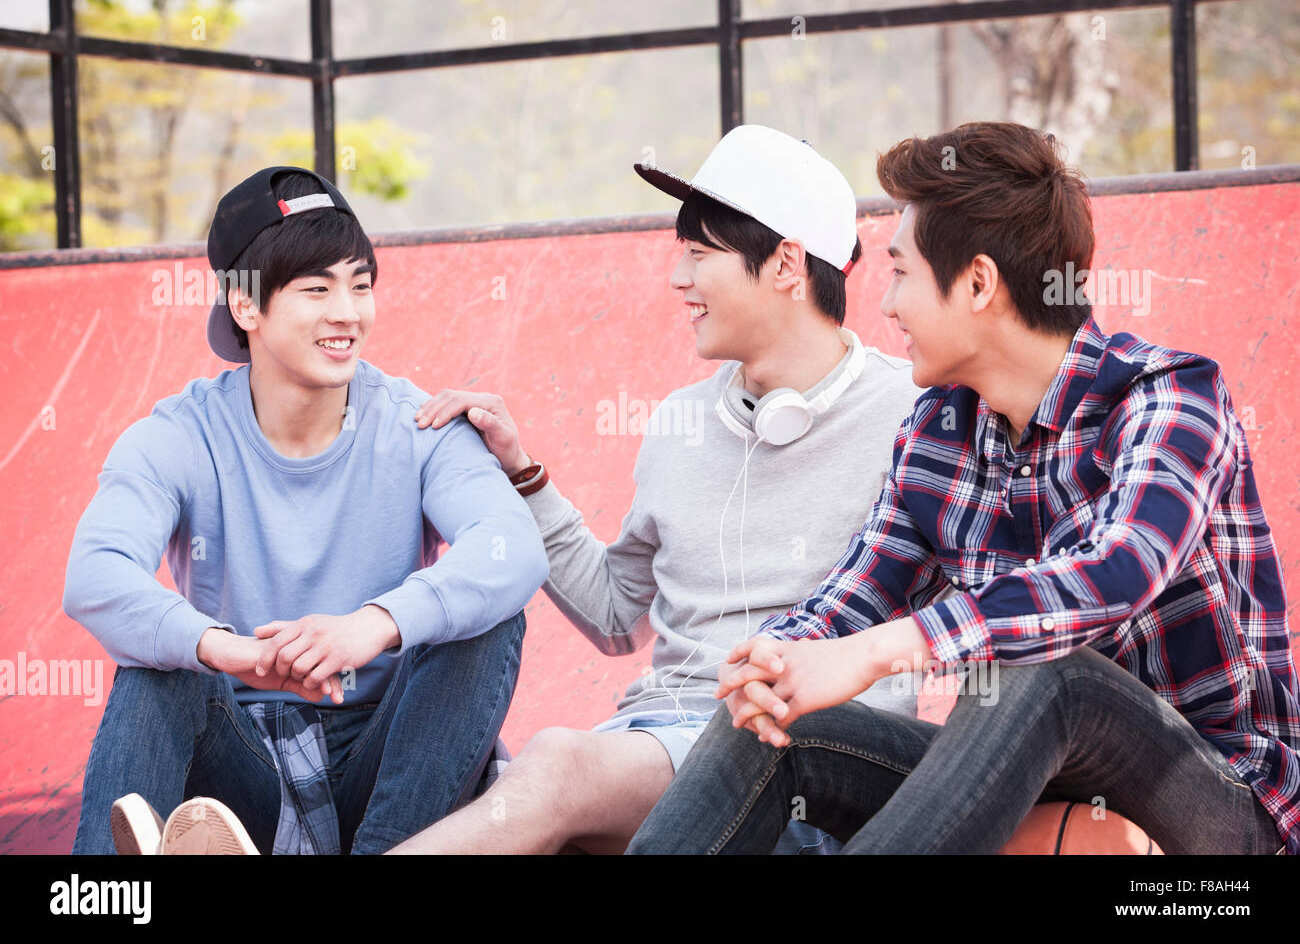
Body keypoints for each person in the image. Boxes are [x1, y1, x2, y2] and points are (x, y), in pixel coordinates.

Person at [627, 121, 1300, 855]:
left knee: (1048, 674)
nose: (885, 306)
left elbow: (1114, 573)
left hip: (1221, 807)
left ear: (978, 282)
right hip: (1025, 776)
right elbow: (854, 596)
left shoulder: (1166, 399)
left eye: (901, 274)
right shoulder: (937, 431)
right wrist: (778, 662)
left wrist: (883, 653)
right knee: (773, 726)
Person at [387, 125, 924, 854]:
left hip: (814, 759)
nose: (678, 280)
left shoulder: (915, 417)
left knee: (553, 768)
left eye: (700, 256)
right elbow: (618, 616)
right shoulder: (680, 421)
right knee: (541, 792)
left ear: (786, 265)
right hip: (660, 739)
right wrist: (522, 474)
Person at [64, 166, 548, 855]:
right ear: (246, 306)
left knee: (486, 618)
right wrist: (224, 648)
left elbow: (512, 547)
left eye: (360, 285)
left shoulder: (418, 424)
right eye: (317, 289)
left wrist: (374, 624)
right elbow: (94, 575)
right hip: (238, 763)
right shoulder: (179, 434)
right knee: (156, 663)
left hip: (383, 764)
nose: (348, 313)